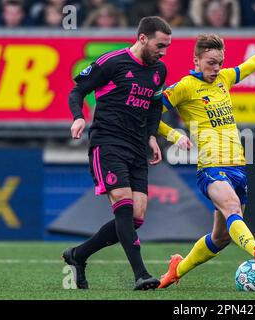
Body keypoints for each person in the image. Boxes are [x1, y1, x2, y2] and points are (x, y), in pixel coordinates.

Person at [157, 34, 255, 288]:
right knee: (232, 208)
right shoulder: (184, 87)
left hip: (238, 167)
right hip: (211, 167)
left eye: (220, 63)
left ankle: (175, 270)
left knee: (221, 237)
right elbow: (148, 113)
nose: (216, 69)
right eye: (211, 62)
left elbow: (252, 64)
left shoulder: (224, 78)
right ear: (196, 60)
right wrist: (173, 135)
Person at [63, 16, 172, 291]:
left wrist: (151, 136)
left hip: (137, 148)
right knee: (123, 206)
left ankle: (78, 255)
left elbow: (155, 105)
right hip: (108, 143)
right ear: (143, 38)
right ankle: (141, 274)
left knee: (136, 218)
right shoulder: (112, 62)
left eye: (167, 47)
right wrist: (78, 117)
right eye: (160, 45)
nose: (163, 52)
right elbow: (77, 91)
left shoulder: (159, 70)